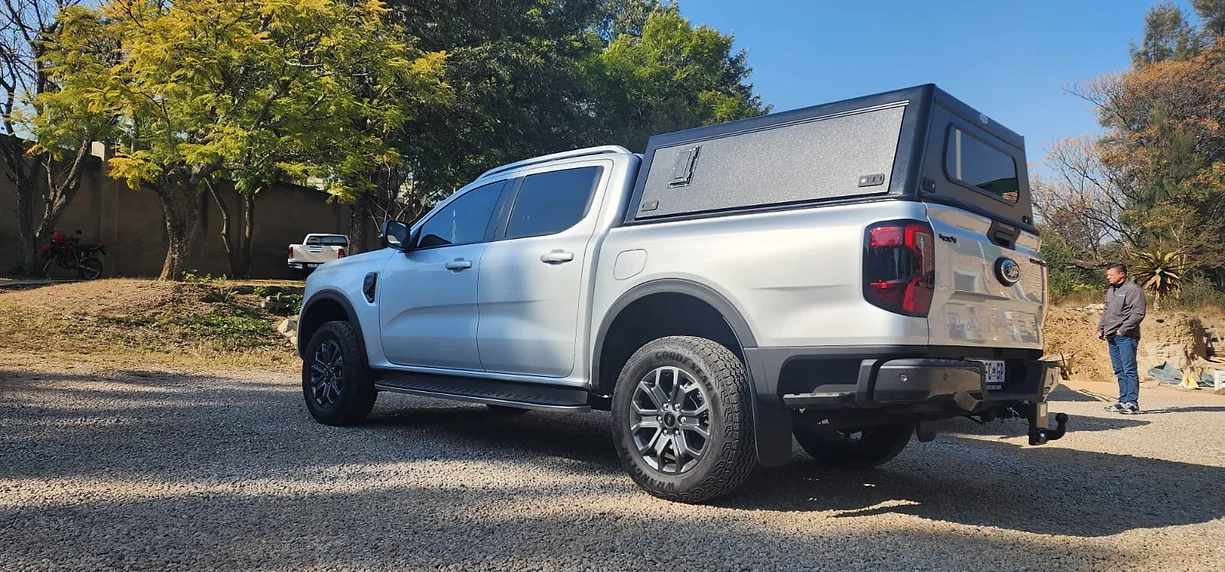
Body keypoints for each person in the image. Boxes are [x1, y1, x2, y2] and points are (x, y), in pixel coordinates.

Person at [1097, 263, 1147, 414]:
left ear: (1122, 275)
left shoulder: (1133, 290)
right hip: (1110, 335)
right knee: (1119, 370)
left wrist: (1123, 330)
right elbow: (1106, 311)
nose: (1108, 277)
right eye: (1107, 275)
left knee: (1129, 369)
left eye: (1111, 275)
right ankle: (1122, 400)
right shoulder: (1111, 290)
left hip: (1126, 336)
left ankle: (1132, 403)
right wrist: (1101, 329)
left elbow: (1138, 313)